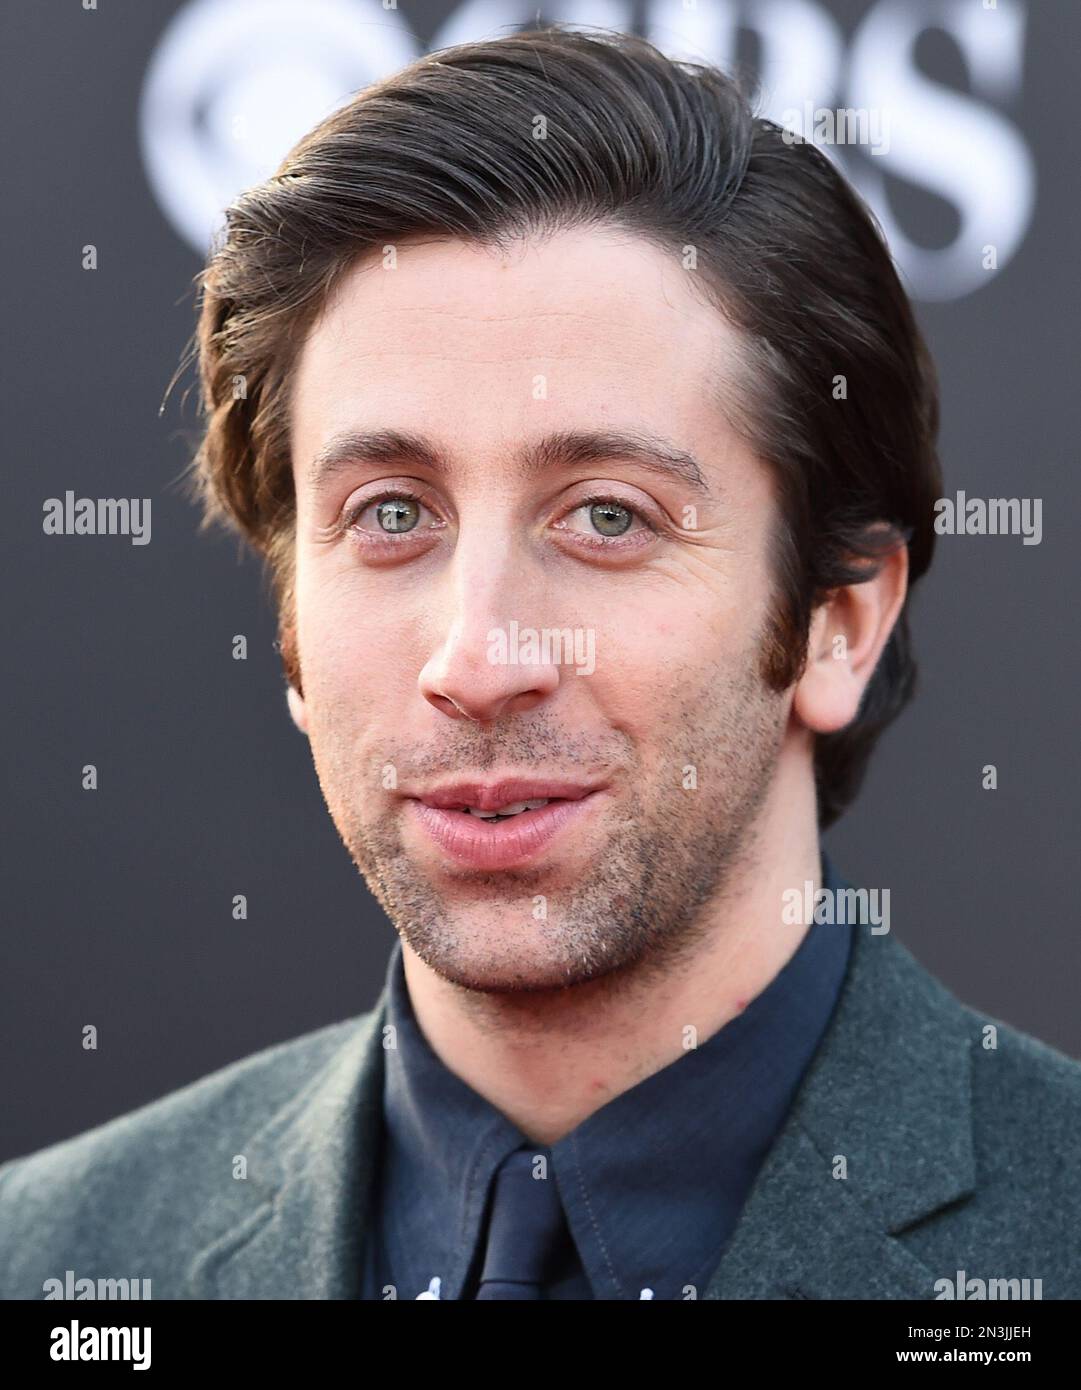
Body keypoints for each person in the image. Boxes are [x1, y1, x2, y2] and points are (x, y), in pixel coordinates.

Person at [2, 25, 1078, 1302]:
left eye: (607, 516)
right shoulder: (59, 1264)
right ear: (289, 631)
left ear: (837, 621)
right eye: (391, 513)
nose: (479, 659)